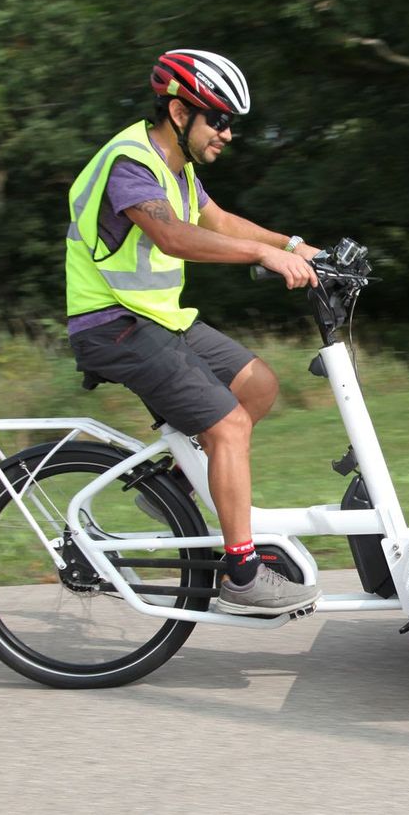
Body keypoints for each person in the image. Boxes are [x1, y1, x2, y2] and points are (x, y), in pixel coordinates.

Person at [64, 49, 322, 616]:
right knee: (228, 426)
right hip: (113, 324)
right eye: (220, 119)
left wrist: (294, 247)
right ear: (181, 112)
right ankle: (243, 574)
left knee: (256, 386)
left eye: (232, 122)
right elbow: (173, 238)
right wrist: (262, 255)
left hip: (158, 319)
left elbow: (219, 221)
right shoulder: (130, 163)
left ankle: (179, 488)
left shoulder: (176, 168)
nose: (228, 133)